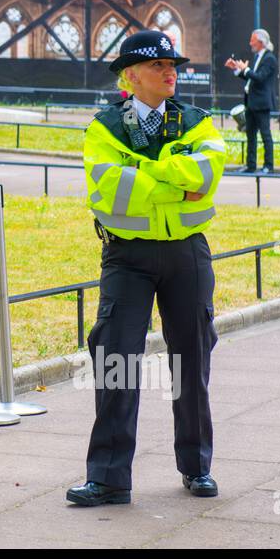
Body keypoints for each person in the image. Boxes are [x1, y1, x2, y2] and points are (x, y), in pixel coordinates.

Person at [67, 29, 227, 507]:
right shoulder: (103, 128)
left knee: (192, 360)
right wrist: (173, 179)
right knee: (116, 360)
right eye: (159, 66)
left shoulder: (198, 122)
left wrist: (143, 171)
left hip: (186, 254)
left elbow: (207, 177)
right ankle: (109, 478)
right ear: (131, 76)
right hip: (127, 257)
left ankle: (197, 467)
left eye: (173, 64)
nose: (170, 71)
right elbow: (107, 188)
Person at [224, 28, 278, 174]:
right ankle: (251, 165)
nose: (250, 43)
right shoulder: (258, 57)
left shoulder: (269, 58)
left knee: (265, 135)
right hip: (251, 102)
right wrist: (237, 69)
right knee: (250, 135)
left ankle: (268, 166)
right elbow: (251, 77)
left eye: (252, 40)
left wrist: (246, 69)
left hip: (261, 103)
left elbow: (259, 78)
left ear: (261, 42)